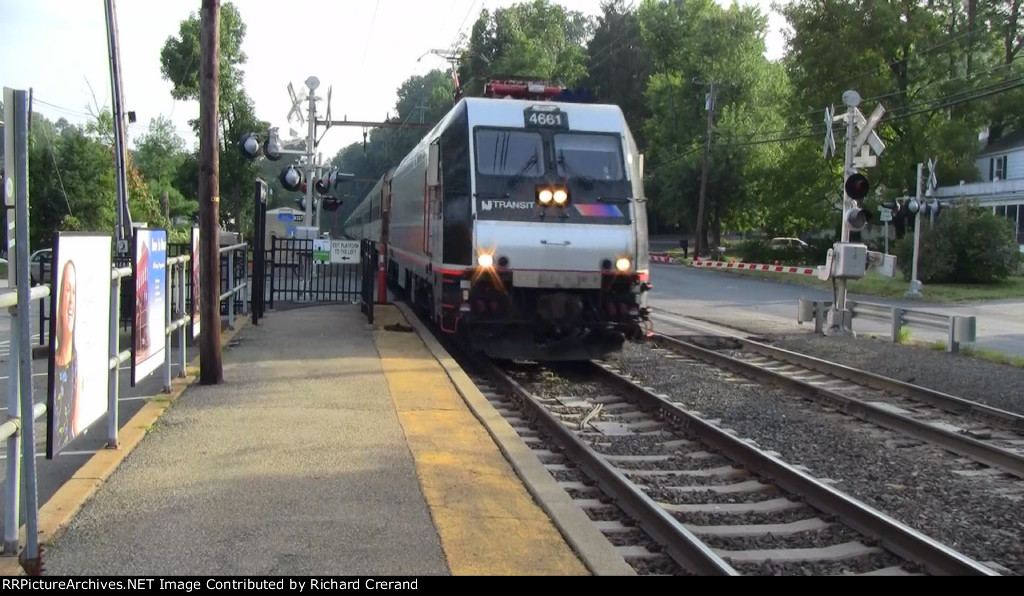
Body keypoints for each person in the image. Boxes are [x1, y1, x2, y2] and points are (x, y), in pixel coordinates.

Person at [52, 259, 84, 445]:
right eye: (67, 291)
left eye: (74, 292)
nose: (71, 300)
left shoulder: (75, 362)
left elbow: (76, 426)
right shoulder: (53, 361)